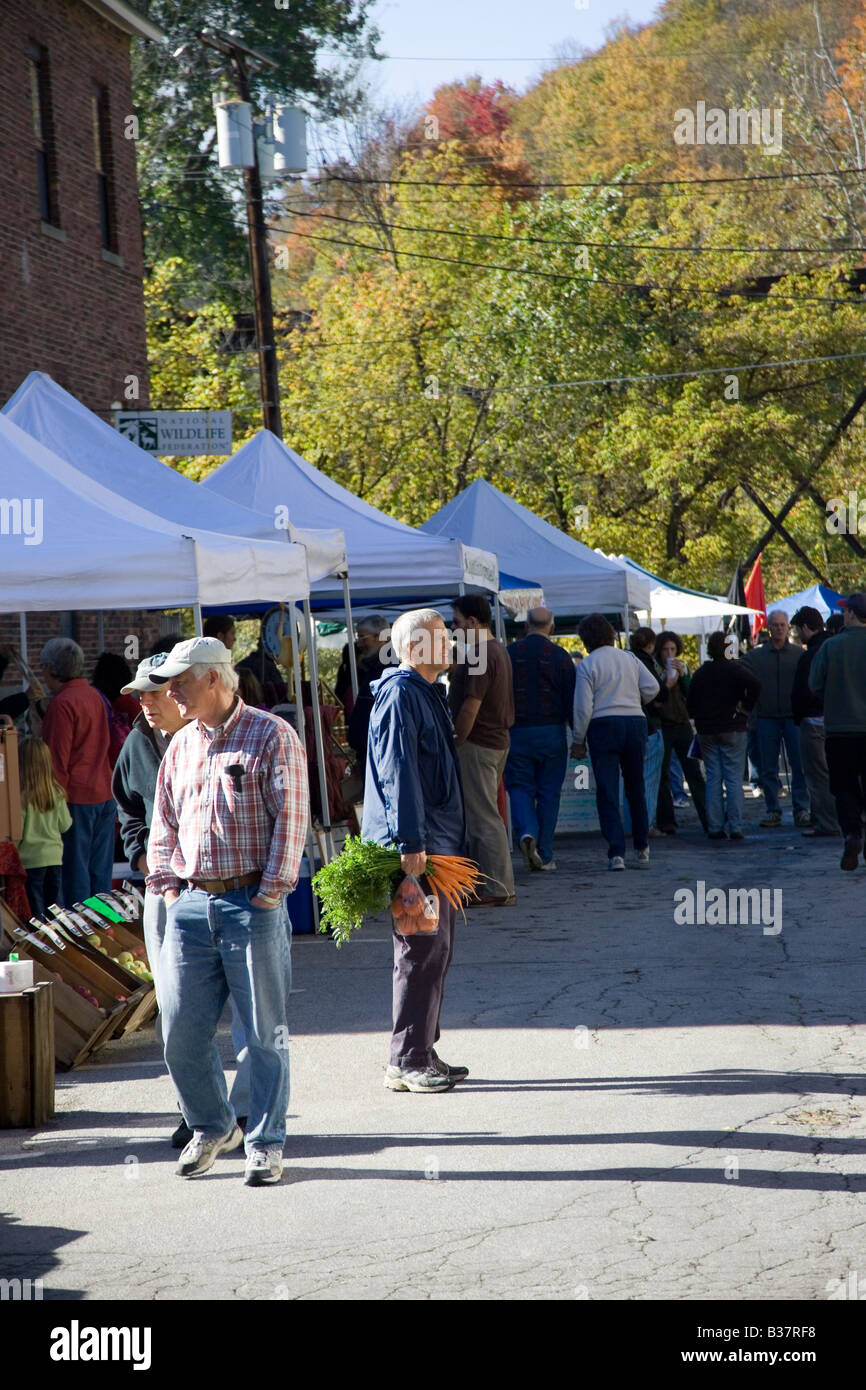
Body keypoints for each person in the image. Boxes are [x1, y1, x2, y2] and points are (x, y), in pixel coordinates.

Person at [146, 637, 309, 1186]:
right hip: (190, 902)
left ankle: (265, 1142)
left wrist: (269, 892)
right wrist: (169, 888)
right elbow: (162, 824)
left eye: (180, 682)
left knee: (263, 1034)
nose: (170, 693)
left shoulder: (271, 734)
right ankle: (213, 1125)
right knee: (179, 1033)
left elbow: (291, 818)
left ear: (214, 679)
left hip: (249, 904)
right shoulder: (180, 745)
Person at [362, 608, 467, 1094]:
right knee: (420, 948)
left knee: (434, 949)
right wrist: (411, 842)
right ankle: (406, 1060)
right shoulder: (402, 695)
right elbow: (397, 770)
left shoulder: (424, 692)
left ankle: (422, 1049)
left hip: (433, 845)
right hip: (416, 849)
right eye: (441, 638)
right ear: (414, 647)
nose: (450, 645)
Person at [112, 654, 194, 1148]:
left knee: (249, 1013)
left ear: (181, 692)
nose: (143, 703)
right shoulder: (139, 742)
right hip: (162, 892)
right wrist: (142, 857)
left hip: (218, 889)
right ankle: (195, 1110)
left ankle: (248, 1110)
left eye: (153, 693)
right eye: (138, 694)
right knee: (174, 1006)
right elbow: (126, 804)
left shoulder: (211, 736)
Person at [572, 614, 659, 870]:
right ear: (611, 634)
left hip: (603, 725)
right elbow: (653, 687)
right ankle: (642, 847)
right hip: (635, 723)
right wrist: (636, 700)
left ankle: (616, 853)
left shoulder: (588, 665)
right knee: (636, 787)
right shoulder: (630, 658)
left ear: (586, 640)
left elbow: (582, 708)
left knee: (608, 790)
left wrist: (578, 740)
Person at [449, 595, 515, 906]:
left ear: (473, 623)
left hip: (478, 743)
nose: (453, 626)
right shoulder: (495, 649)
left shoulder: (482, 653)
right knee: (485, 814)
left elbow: (470, 706)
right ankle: (491, 885)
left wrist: (457, 739)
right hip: (493, 741)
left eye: (457, 621)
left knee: (483, 817)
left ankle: (498, 888)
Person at [40, 637, 115, 906]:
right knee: (100, 874)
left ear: (50, 668)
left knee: (76, 875)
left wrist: (48, 803)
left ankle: (83, 937)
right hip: (104, 790)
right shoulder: (96, 696)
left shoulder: (63, 703)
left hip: (76, 797)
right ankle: (104, 928)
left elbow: (56, 761)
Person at [505, 606, 576, 872]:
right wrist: (577, 734)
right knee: (549, 793)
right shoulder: (560, 656)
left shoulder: (509, 653)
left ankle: (526, 830)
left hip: (516, 731)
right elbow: (571, 699)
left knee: (520, 787)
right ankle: (544, 853)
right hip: (552, 732)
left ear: (525, 627)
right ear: (552, 628)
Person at [808, 592, 866, 871]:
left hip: (840, 729)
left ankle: (852, 833)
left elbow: (814, 684)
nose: (843, 614)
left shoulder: (831, 646)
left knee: (844, 788)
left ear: (852, 614)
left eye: (846, 611)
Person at [686, 632, 761, 841]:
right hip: (733, 727)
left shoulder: (701, 673)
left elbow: (690, 705)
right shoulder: (735, 669)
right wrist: (745, 708)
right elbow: (756, 684)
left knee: (713, 778)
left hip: (707, 731)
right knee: (734, 779)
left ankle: (715, 827)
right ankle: (735, 826)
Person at [742, 610, 810, 828]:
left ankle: (802, 809)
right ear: (768, 627)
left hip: (793, 717)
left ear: (788, 628)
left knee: (799, 765)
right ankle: (773, 810)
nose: (779, 628)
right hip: (766, 718)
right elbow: (735, 664)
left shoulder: (799, 654)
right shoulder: (757, 655)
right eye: (775, 625)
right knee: (768, 768)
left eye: (782, 625)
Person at [790, 606, 840, 839]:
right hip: (837, 719)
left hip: (813, 720)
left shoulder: (811, 654)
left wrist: (798, 715)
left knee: (818, 775)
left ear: (804, 628)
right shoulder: (834, 647)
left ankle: (826, 822)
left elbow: (805, 690)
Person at [654, 632, 708, 836]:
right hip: (663, 726)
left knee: (693, 771)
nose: (669, 653)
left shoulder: (683, 668)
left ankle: (707, 817)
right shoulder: (655, 670)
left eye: (673, 650)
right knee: (663, 775)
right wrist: (666, 681)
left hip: (682, 724)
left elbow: (691, 695)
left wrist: (684, 677)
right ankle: (667, 820)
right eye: (666, 649)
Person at [16, 736, 72, 917]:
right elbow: (65, 825)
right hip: (54, 858)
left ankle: (40, 944)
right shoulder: (57, 792)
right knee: (55, 910)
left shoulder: (19, 798)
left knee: (36, 912)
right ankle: (60, 942)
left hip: (30, 861)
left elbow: (17, 833)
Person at [347, 617, 397, 764]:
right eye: (358, 638)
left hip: (381, 755)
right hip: (369, 753)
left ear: (380, 637)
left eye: (363, 637)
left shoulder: (391, 669)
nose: (359, 644)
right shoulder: (371, 668)